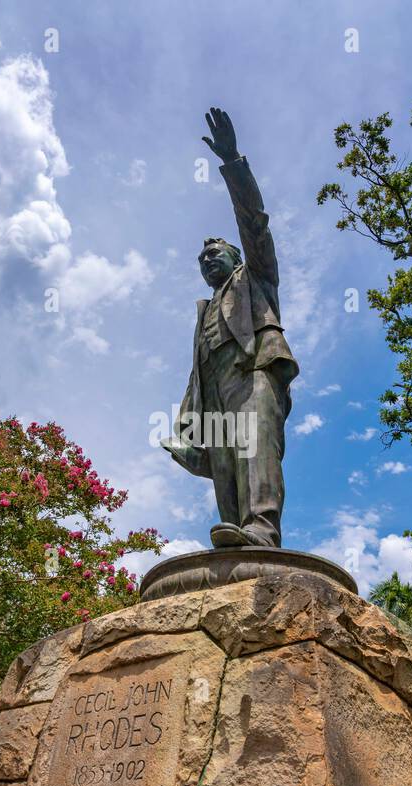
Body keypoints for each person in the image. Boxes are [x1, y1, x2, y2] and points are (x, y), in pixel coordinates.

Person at [162, 108, 299, 548]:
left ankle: (262, 528)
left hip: (254, 369)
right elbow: (197, 369)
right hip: (216, 386)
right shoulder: (203, 310)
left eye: (216, 253)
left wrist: (233, 163)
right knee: (225, 464)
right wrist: (185, 423)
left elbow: (254, 222)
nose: (208, 260)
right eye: (202, 259)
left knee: (255, 445)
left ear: (238, 258)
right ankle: (236, 534)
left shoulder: (255, 277)